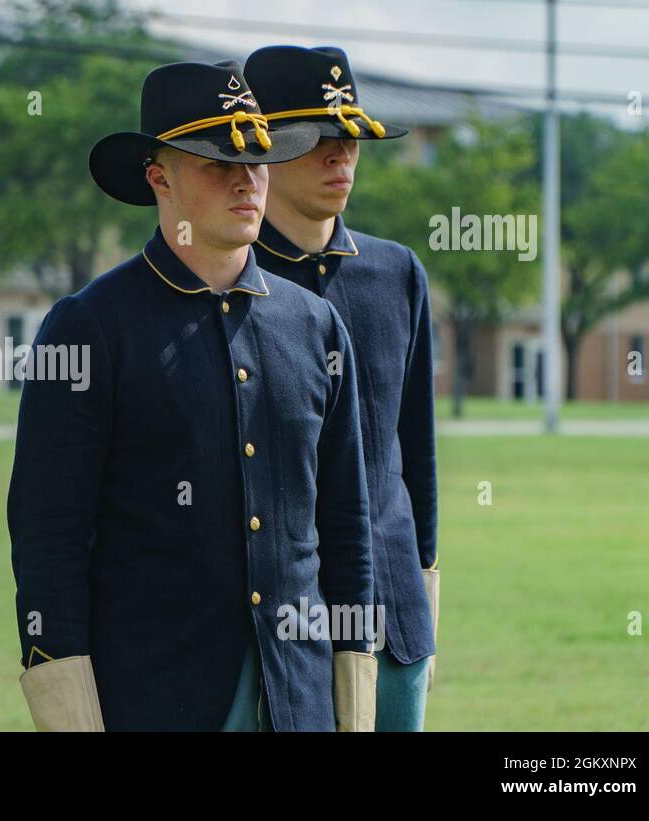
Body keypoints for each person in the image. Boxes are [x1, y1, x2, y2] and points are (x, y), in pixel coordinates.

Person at [9, 62, 378, 731]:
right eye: (217, 161)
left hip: (299, 698)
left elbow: (347, 529)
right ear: (158, 175)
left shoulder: (316, 325)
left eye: (259, 160)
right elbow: (49, 541)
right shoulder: (90, 326)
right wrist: (70, 714)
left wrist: (351, 695)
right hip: (148, 700)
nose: (246, 179)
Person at [244, 45, 439, 731]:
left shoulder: (398, 273)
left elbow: (417, 455)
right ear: (260, 148)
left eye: (351, 135)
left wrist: (423, 597)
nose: (342, 154)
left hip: (394, 627)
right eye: (320, 137)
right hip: (275, 635)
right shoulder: (228, 282)